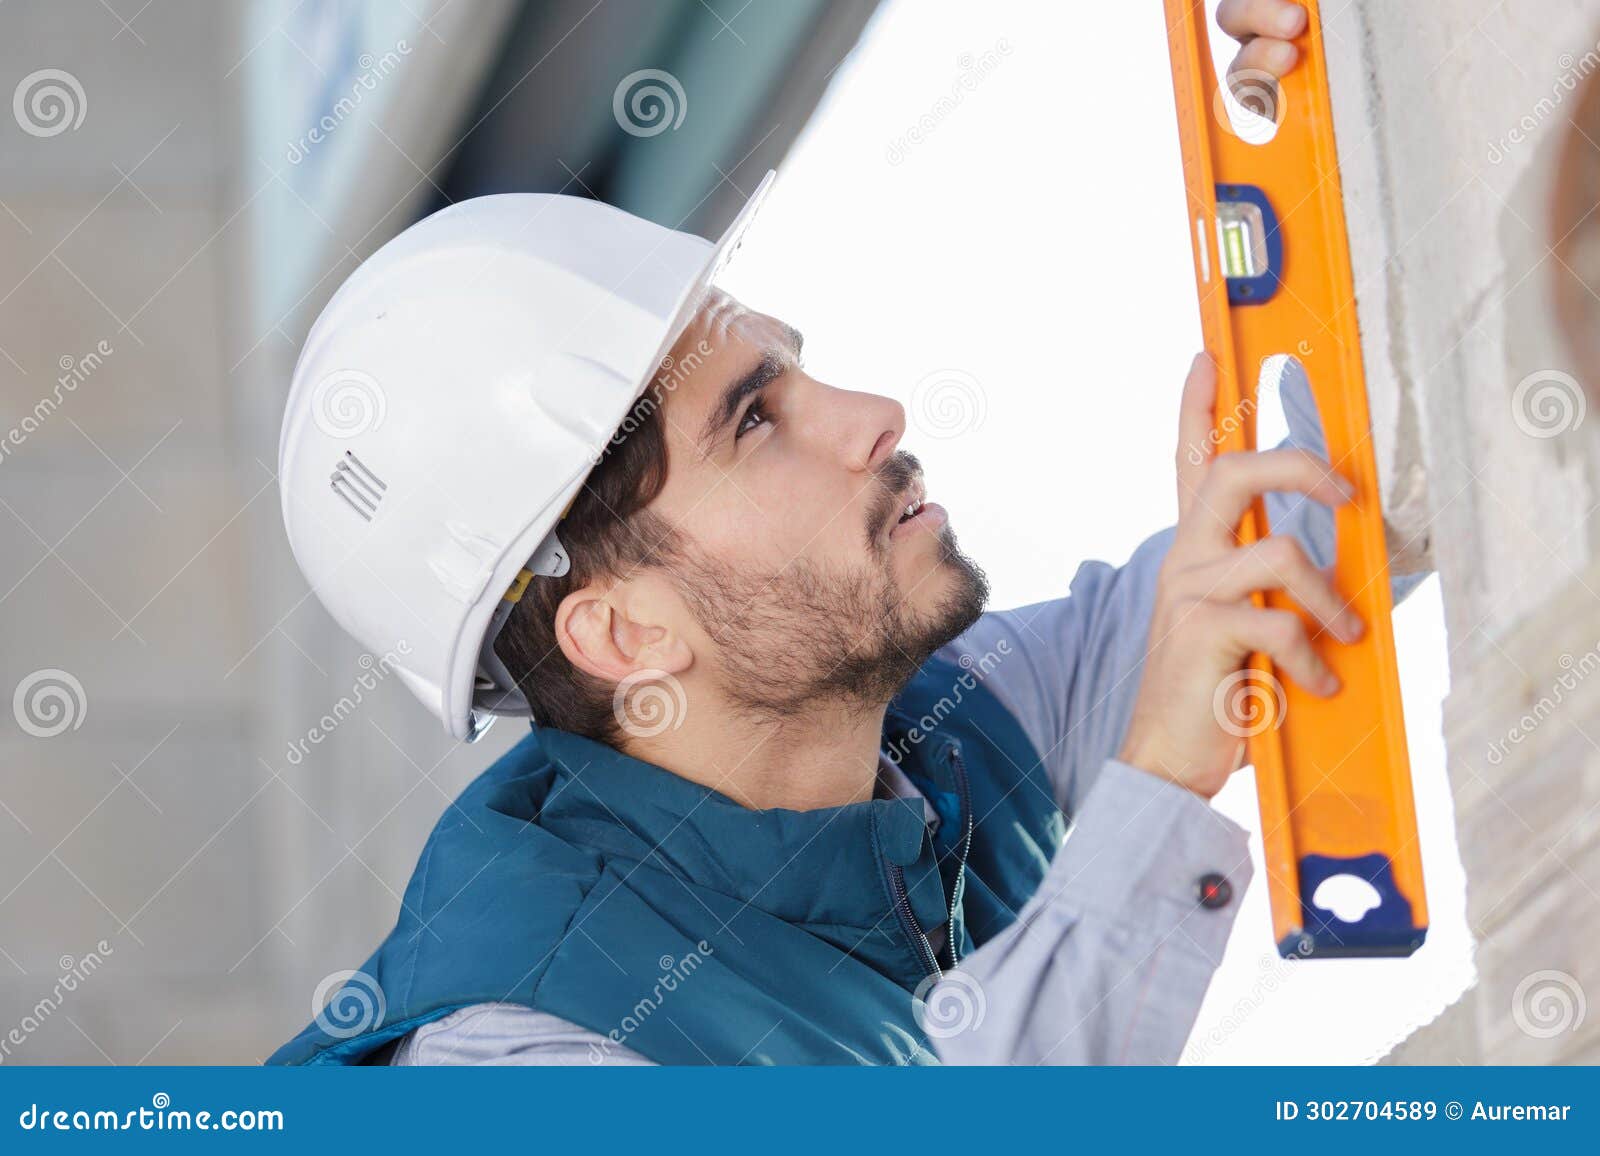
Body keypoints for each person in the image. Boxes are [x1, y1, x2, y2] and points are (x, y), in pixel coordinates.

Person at [269, 1, 1387, 1066]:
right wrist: (1161, 781)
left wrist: (1340, 95)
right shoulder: (527, 1050)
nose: (872, 418)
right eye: (754, 421)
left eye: (796, 376)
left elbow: (1321, 504)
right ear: (621, 632)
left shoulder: (944, 739)